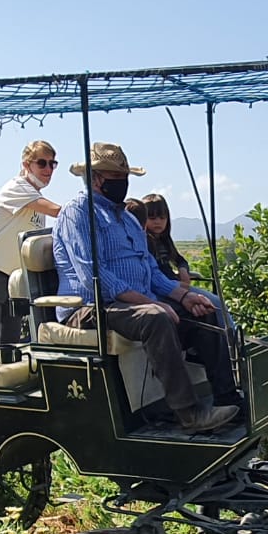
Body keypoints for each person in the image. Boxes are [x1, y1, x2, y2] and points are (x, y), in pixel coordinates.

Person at [52, 142, 240, 434]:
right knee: (156, 318)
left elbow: (150, 270)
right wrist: (148, 303)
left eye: (124, 178)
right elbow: (93, 275)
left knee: (205, 310)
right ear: (95, 179)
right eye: (115, 179)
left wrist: (183, 295)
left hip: (132, 304)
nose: (122, 184)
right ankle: (189, 414)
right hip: (90, 306)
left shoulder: (127, 218)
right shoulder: (77, 214)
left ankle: (228, 399)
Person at [0, 141, 63, 344]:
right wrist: (86, 212)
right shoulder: (17, 187)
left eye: (53, 164)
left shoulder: (34, 197)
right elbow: (58, 212)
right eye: (42, 163)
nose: (48, 169)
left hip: (10, 279)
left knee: (11, 343)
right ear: (26, 165)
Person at [138, 194, 238, 341]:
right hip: (165, 287)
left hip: (176, 283)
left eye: (162, 218)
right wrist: (178, 285)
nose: (158, 222)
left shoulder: (164, 240)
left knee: (213, 303)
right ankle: (232, 341)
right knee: (214, 302)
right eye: (152, 218)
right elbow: (155, 273)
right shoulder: (145, 241)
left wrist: (183, 271)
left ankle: (231, 336)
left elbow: (179, 259)